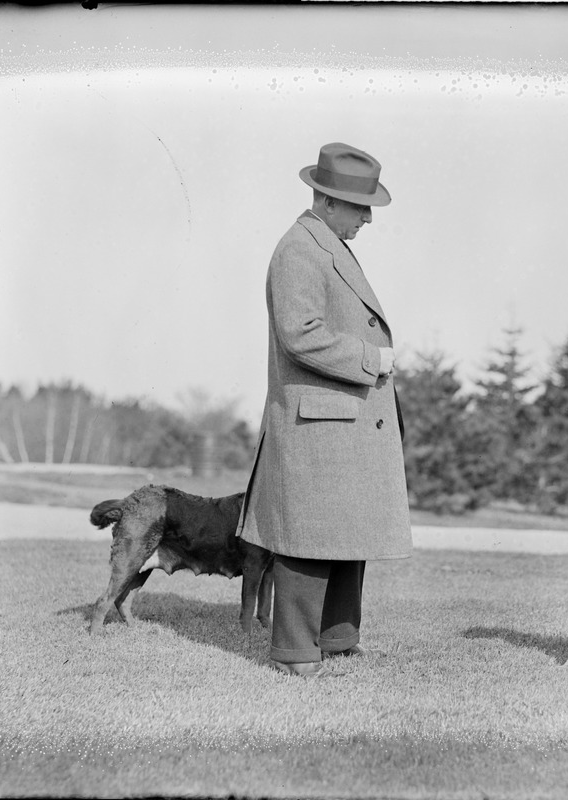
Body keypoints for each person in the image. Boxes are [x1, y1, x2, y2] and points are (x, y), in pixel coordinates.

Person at [237, 142, 413, 678]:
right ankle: (295, 653)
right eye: (360, 207)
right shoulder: (299, 249)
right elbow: (300, 335)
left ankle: (337, 637)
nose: (367, 219)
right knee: (308, 540)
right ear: (327, 200)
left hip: (340, 421)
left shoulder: (323, 244)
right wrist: (371, 359)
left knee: (347, 532)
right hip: (318, 422)